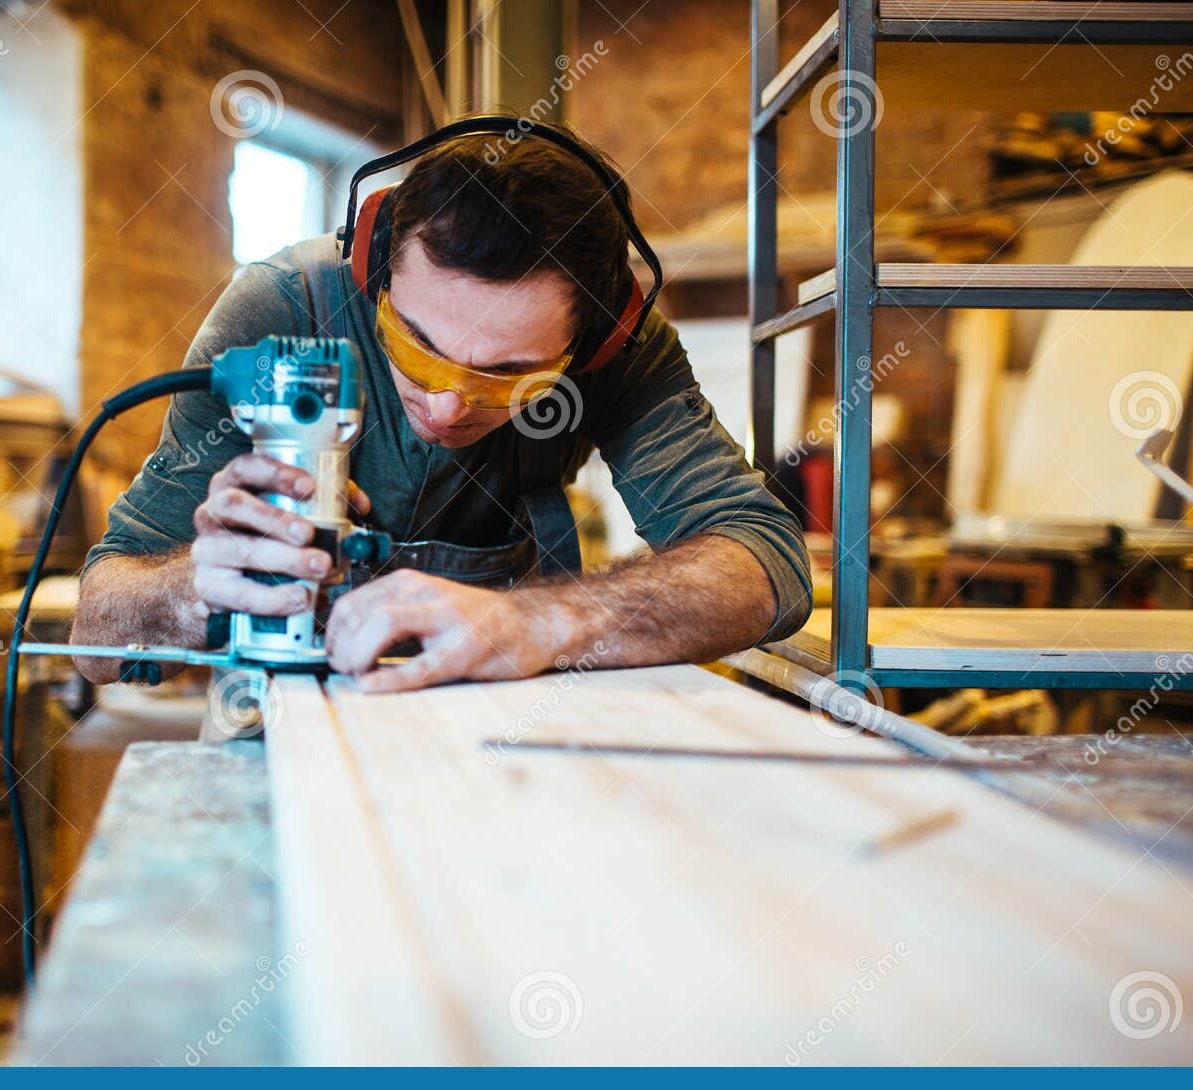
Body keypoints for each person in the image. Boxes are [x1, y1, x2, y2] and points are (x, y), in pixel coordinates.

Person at [71, 120, 811, 693]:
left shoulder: (623, 349)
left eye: (506, 376)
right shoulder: (284, 311)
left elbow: (767, 562)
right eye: (417, 347)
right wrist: (193, 588)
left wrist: (542, 620)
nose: (450, 403)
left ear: (593, 342)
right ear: (376, 264)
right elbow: (94, 633)